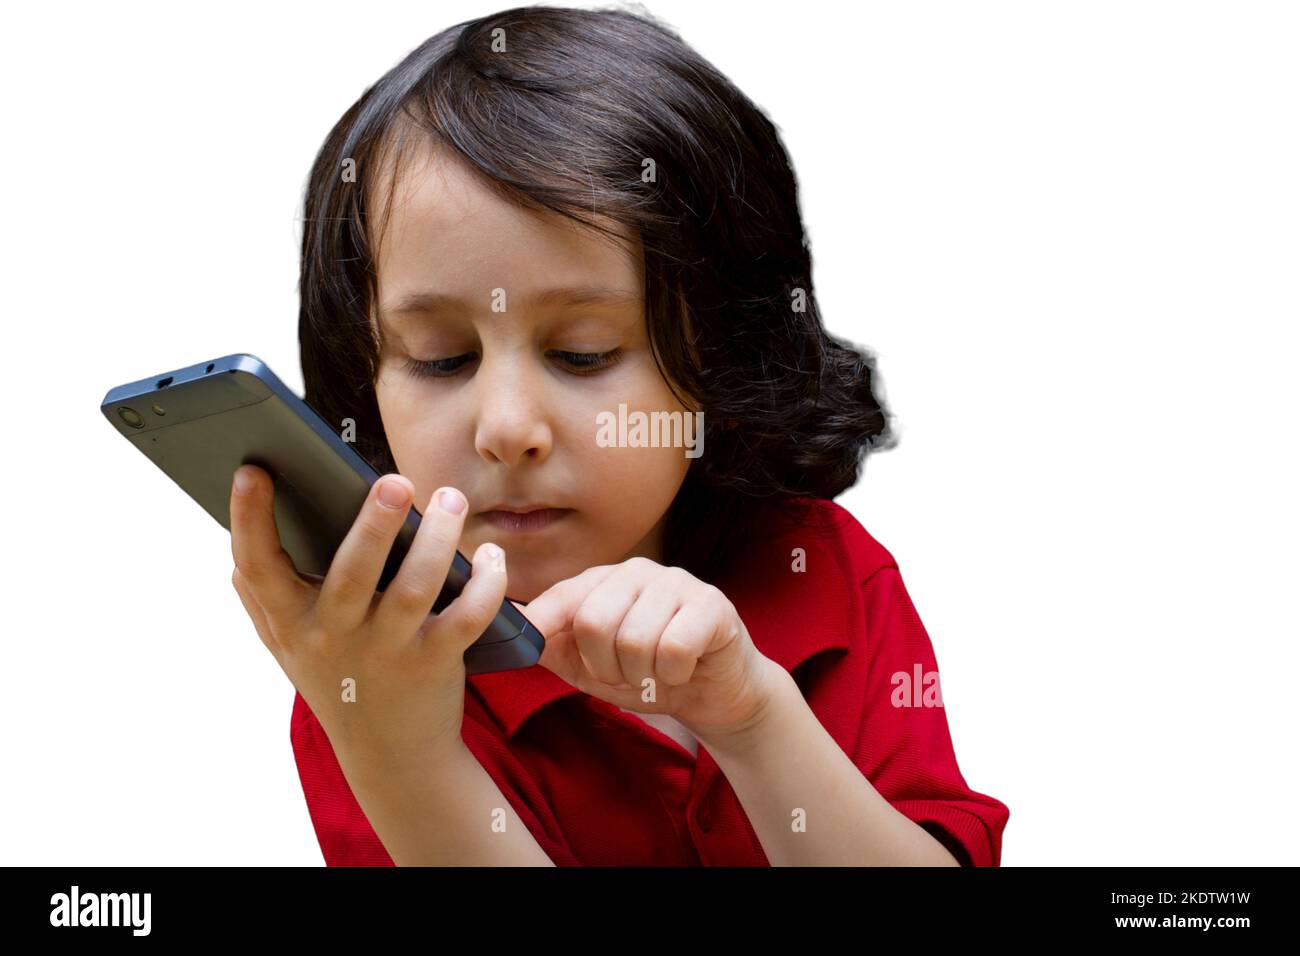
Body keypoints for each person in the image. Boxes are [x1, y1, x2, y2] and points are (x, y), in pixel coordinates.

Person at [229, 4, 1010, 866]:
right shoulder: (373, 664)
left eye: (583, 352)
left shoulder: (829, 575)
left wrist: (752, 716)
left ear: (717, 355)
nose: (507, 428)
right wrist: (396, 745)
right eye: (442, 359)